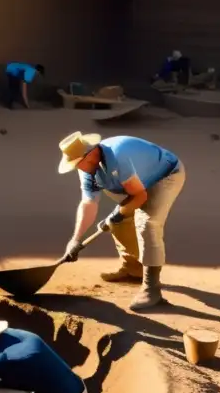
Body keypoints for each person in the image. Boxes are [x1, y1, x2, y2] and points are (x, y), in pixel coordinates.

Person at [57, 131, 186, 312]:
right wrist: (75, 239)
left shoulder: (118, 156)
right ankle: (133, 268)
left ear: (92, 154)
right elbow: (89, 202)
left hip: (165, 175)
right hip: (132, 181)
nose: (79, 168)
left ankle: (152, 291)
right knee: (117, 222)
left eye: (79, 163)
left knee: (147, 223)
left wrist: (120, 211)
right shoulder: (87, 170)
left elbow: (140, 195)